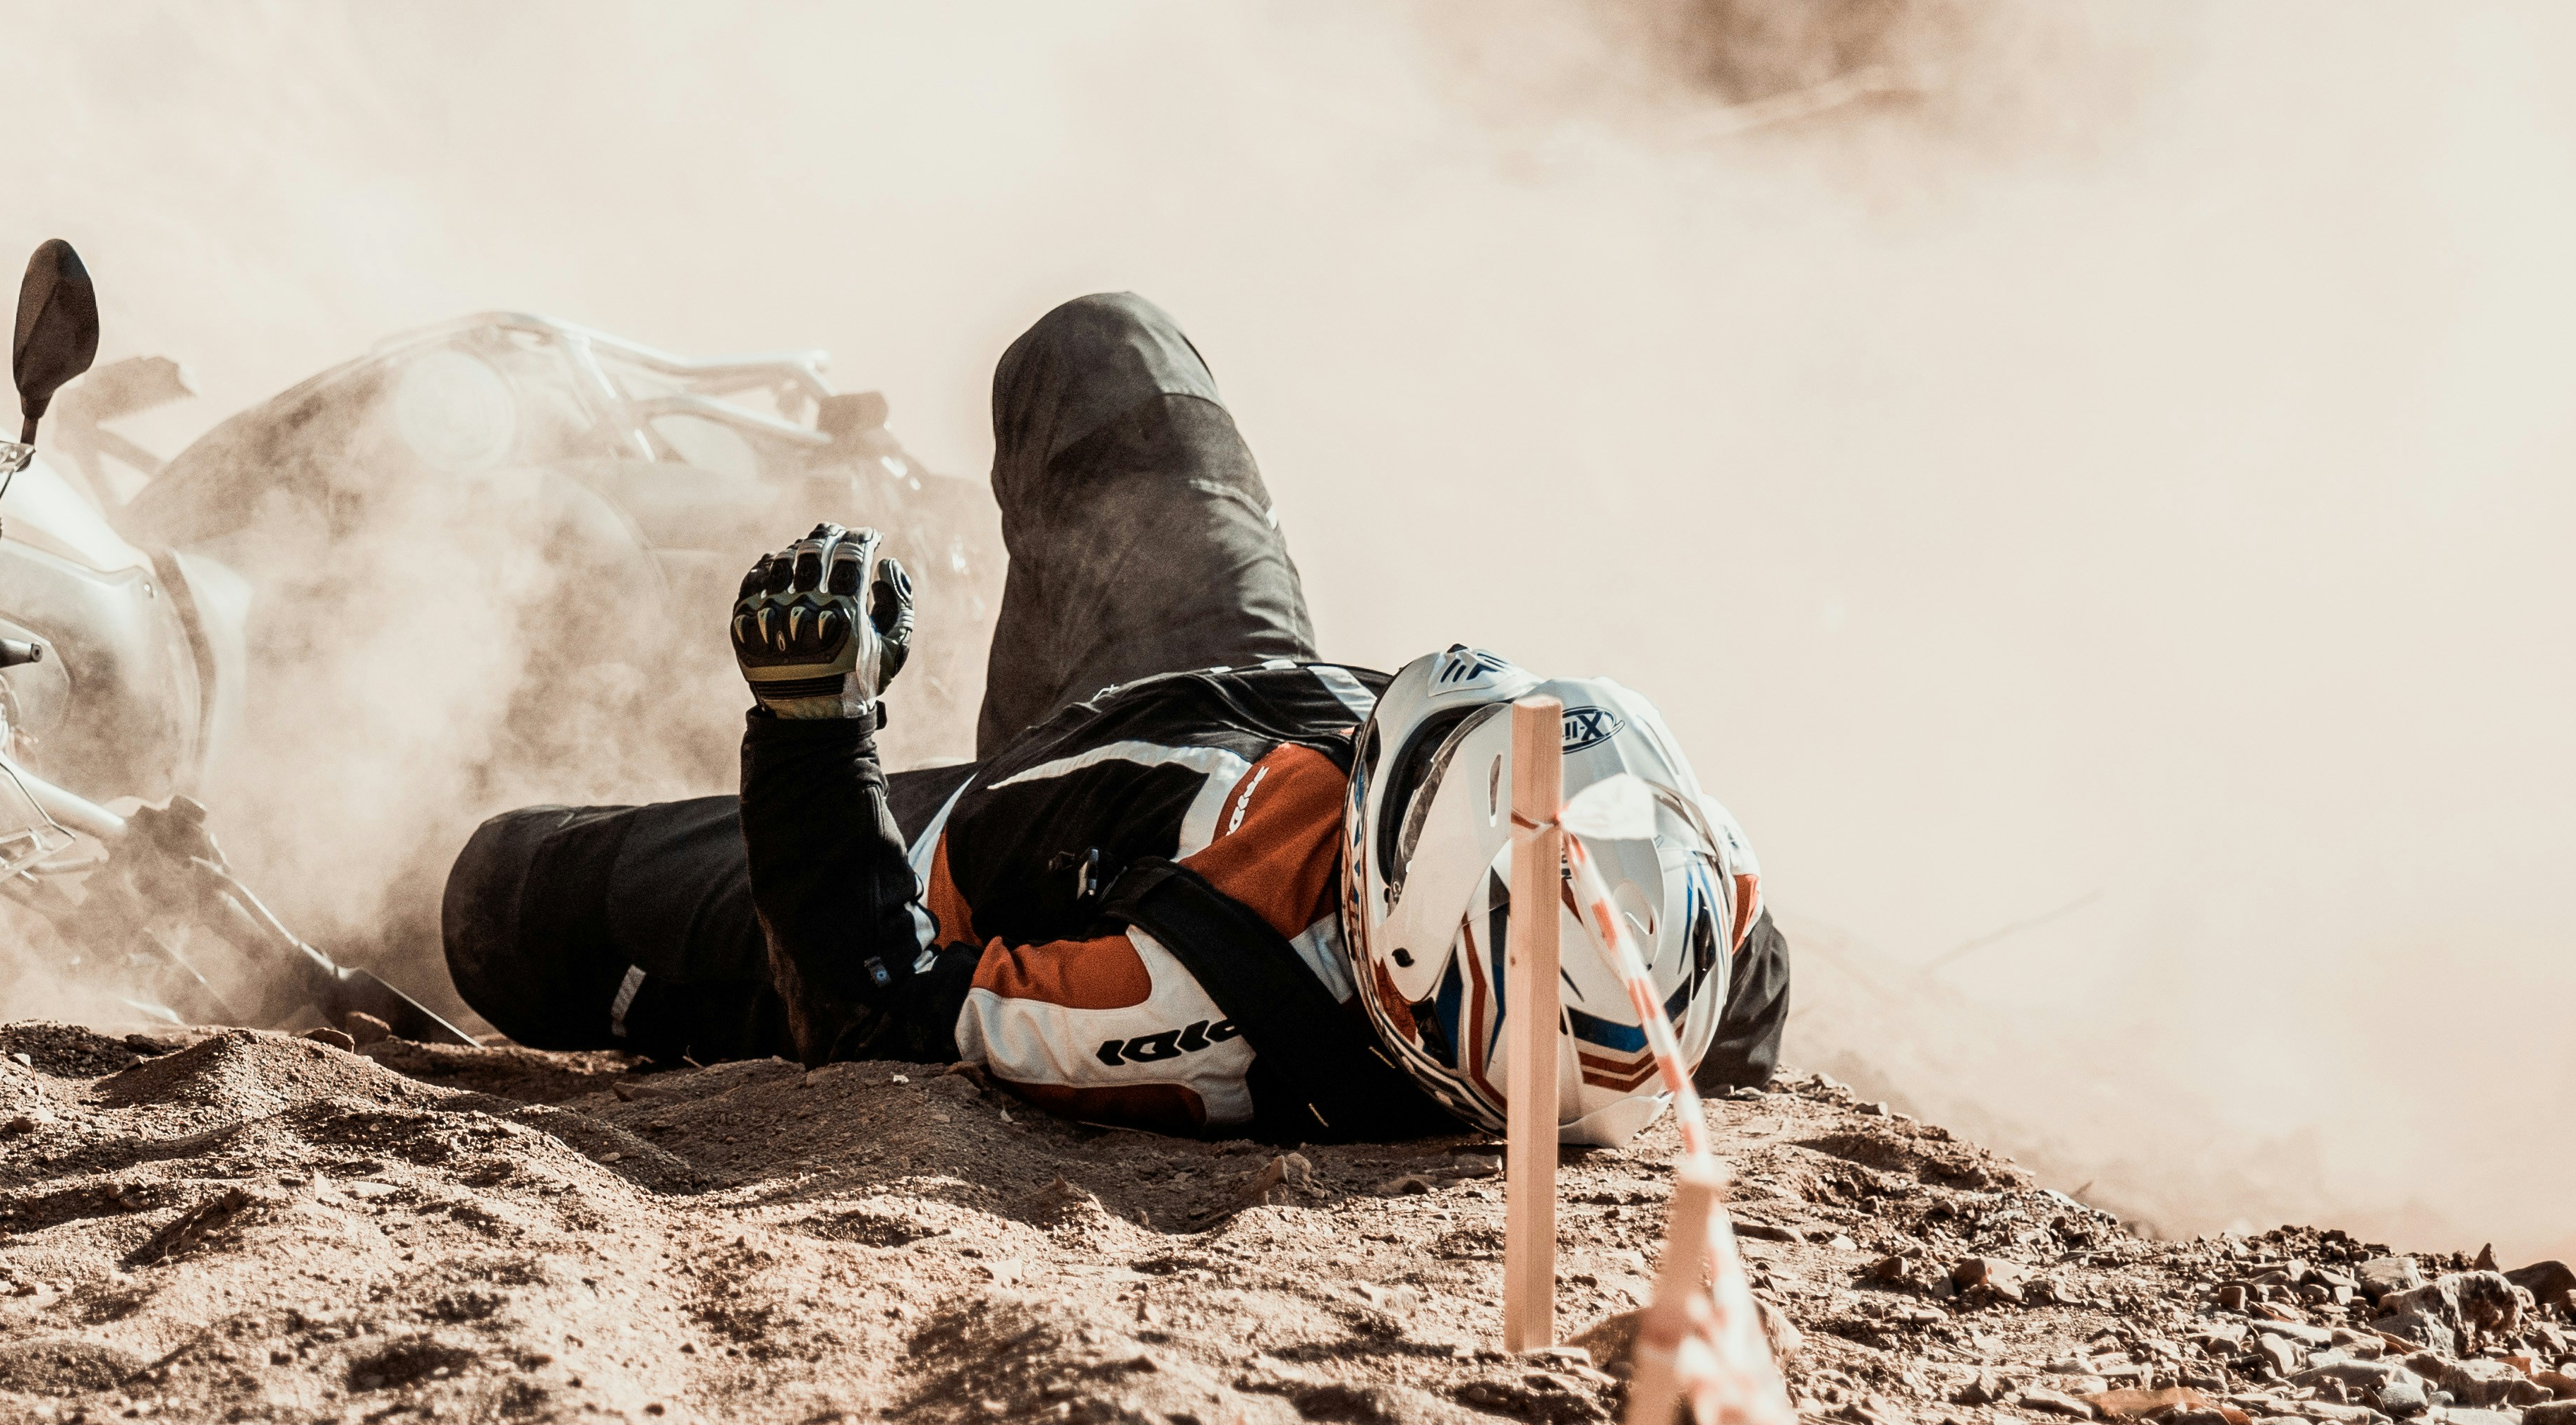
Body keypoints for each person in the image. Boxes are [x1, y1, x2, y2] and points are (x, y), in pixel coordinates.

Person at [433, 294, 1788, 1140]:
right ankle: (983, 578)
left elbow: (880, 1011)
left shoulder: (1186, 1004)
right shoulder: (1673, 958)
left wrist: (810, 727)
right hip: (1235, 684)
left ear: (1389, 926)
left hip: (974, 851)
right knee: (1102, 349)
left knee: (504, 900)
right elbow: (1745, 989)